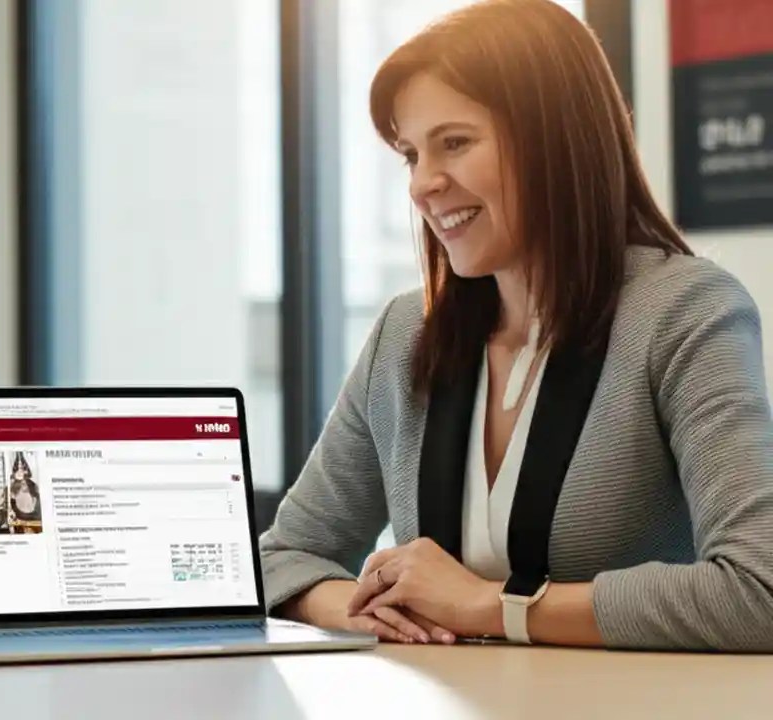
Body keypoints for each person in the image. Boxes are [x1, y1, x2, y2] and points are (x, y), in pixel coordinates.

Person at [260, 0, 773, 652]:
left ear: (555, 139)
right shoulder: (404, 334)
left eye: (455, 143)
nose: (422, 184)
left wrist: (492, 607)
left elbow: (760, 590)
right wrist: (366, 609)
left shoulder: (683, 312)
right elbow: (283, 559)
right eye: (410, 154)